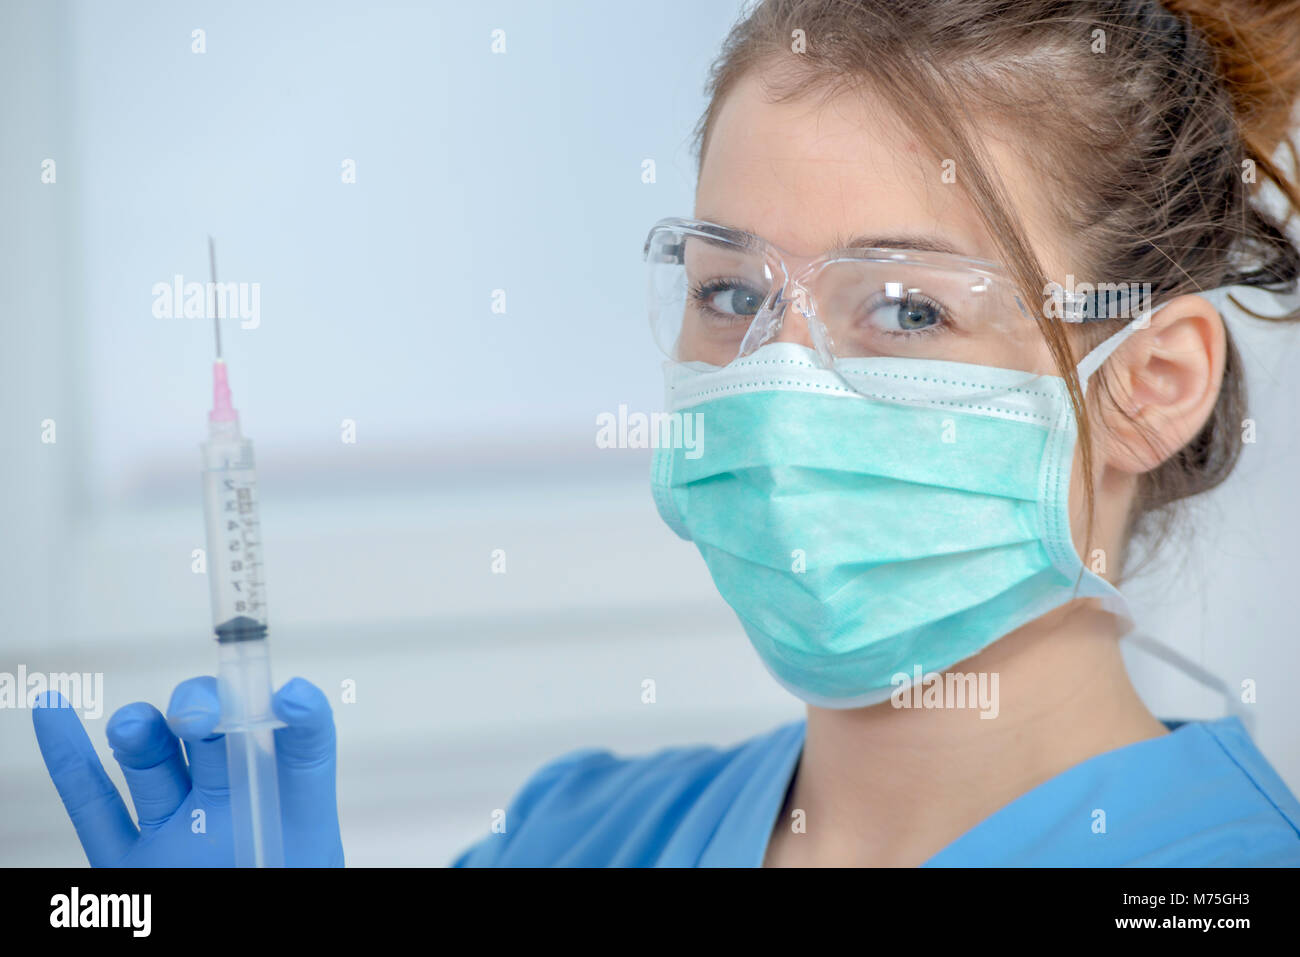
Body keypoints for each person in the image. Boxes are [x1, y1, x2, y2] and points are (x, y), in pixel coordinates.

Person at [34, 0, 1300, 867]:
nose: (779, 388)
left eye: (906, 308)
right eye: (732, 296)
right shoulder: (583, 834)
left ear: (1151, 382)